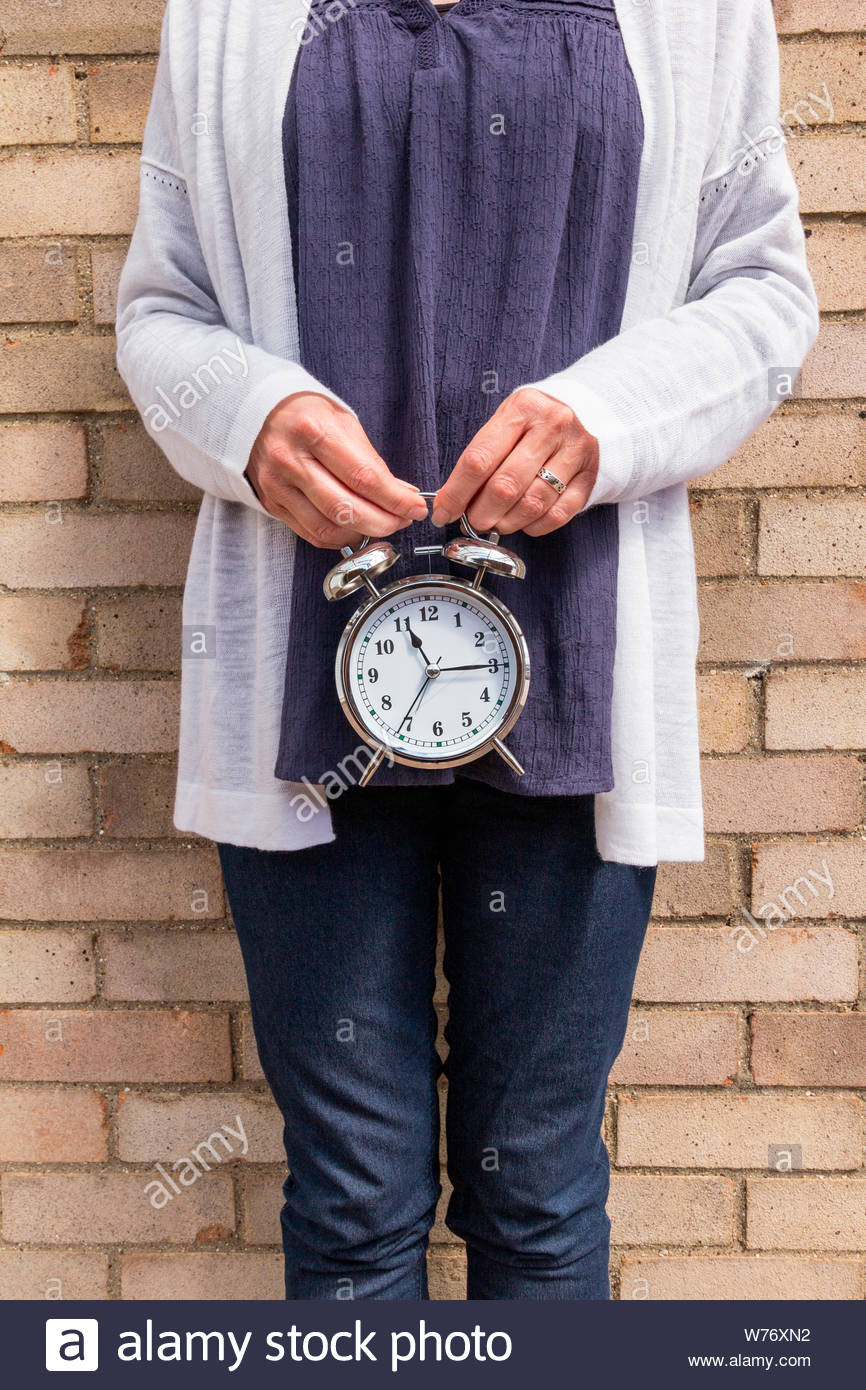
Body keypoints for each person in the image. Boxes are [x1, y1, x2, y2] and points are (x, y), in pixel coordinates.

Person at [115, 0, 818, 1299]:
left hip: (577, 671)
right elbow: (162, 309)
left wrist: (603, 415)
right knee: (349, 1194)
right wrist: (248, 415)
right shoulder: (226, 16)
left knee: (537, 1186)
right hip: (305, 689)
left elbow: (765, 291)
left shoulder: (696, 14)